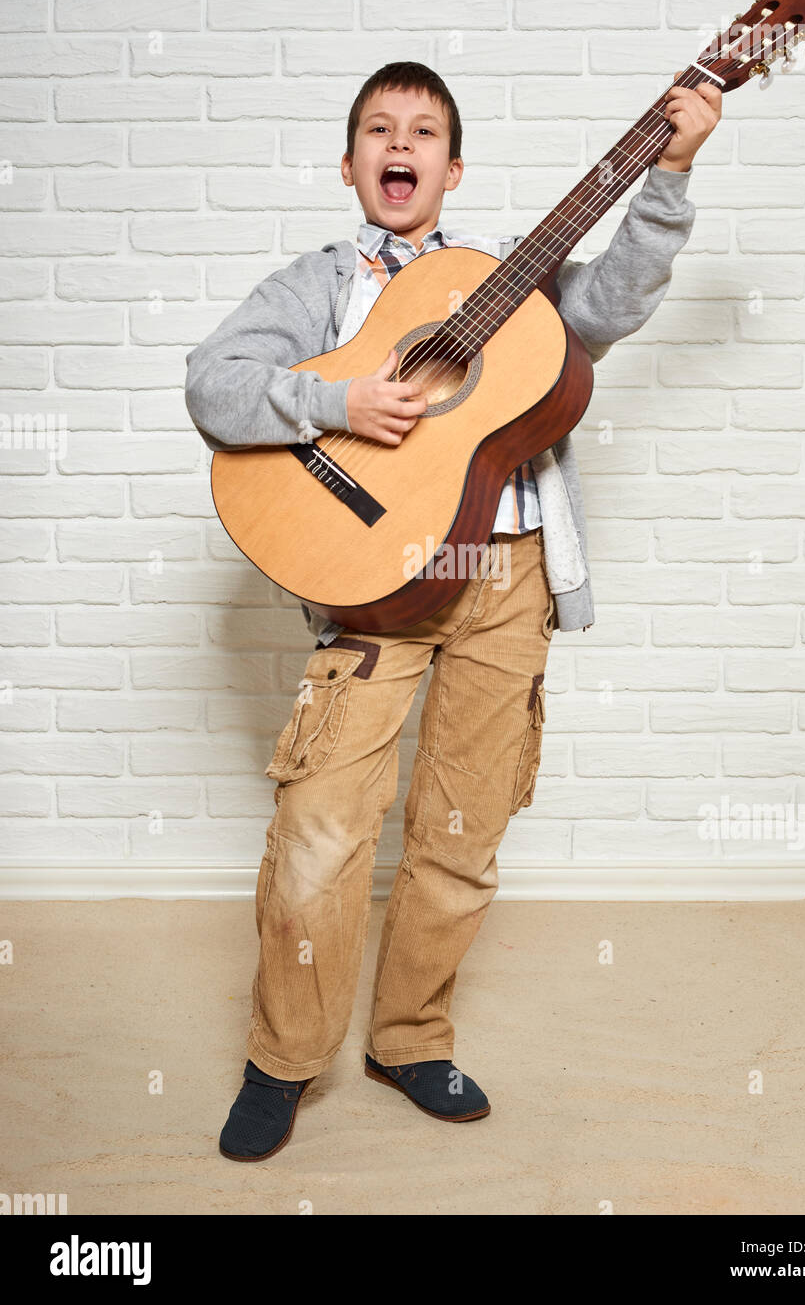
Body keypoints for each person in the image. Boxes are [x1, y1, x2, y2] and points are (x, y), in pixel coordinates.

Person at [184, 61, 721, 1161]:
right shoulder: (323, 282)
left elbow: (612, 305)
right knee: (322, 836)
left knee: (464, 833)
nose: (400, 143)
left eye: (423, 130)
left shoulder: (502, 284)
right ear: (351, 166)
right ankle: (283, 1061)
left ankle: (409, 1036)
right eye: (378, 129)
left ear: (451, 167)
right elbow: (213, 382)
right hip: (378, 589)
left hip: (506, 572)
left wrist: (668, 174)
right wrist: (339, 400)